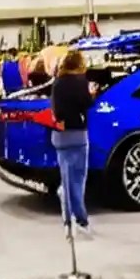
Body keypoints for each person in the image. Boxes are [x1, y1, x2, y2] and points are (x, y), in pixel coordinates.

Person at [51, 51, 94, 236]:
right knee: (78, 181)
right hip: (78, 135)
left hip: (61, 137)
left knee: (66, 180)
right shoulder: (81, 82)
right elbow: (86, 104)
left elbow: (56, 111)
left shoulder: (57, 83)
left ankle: (67, 221)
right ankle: (81, 220)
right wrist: (91, 94)